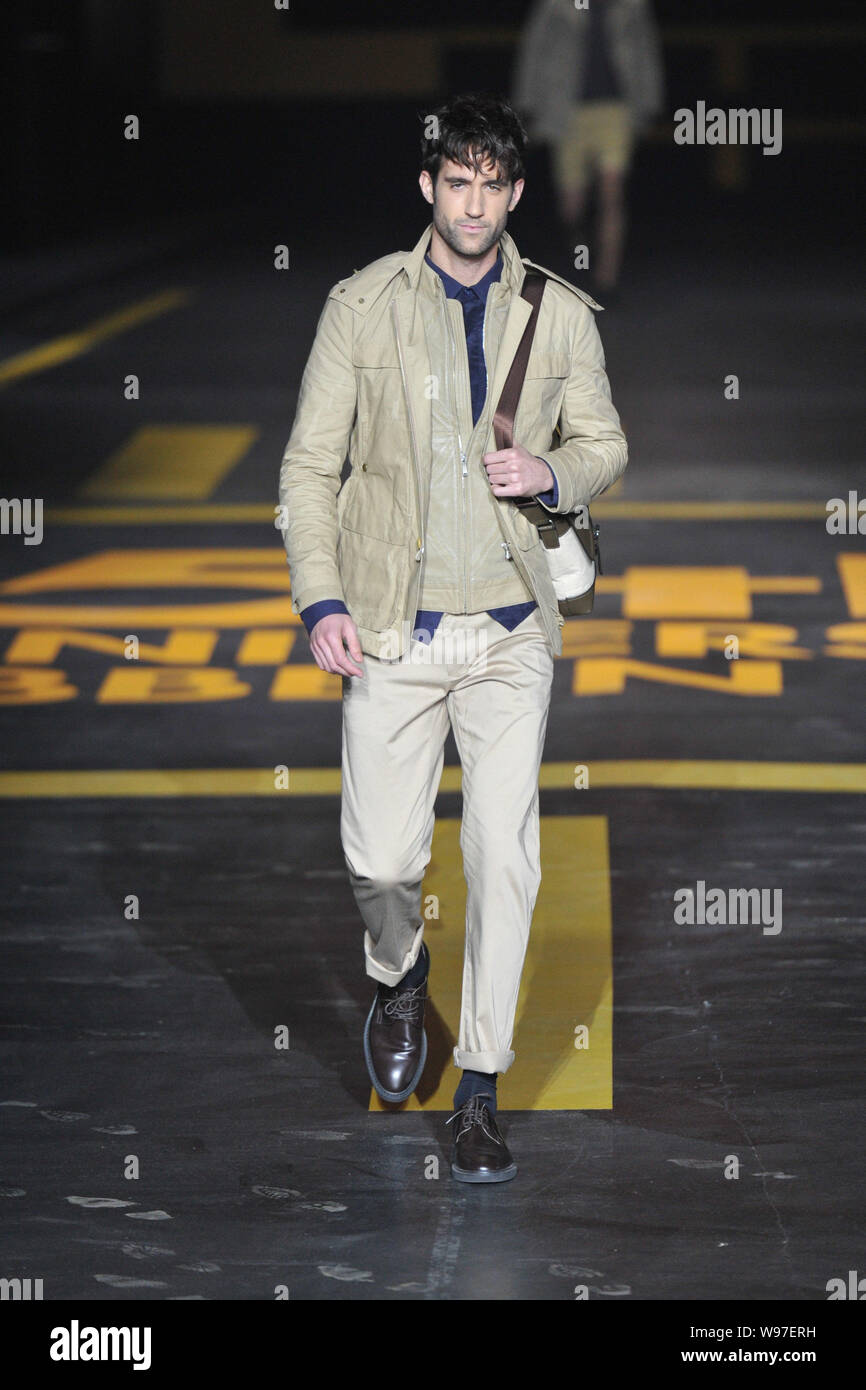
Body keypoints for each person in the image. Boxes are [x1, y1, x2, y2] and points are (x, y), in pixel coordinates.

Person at [278, 91, 627, 1182]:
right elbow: (306, 467)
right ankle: (395, 973)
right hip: (389, 627)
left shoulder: (558, 315)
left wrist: (553, 471)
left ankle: (477, 1087)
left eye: (493, 184)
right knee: (380, 861)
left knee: (503, 858)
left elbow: (607, 442)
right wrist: (320, 599)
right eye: (455, 181)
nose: (474, 202)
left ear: (515, 194)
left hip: (511, 629)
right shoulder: (360, 306)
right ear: (426, 185)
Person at [512, 0, 664, 294]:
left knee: (612, 191)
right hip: (566, 112)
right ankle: (581, 253)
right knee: (571, 207)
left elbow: (647, 50)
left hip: (616, 109)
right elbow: (535, 48)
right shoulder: (555, 5)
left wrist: (650, 101)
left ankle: (607, 278)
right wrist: (528, 102)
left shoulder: (632, 6)